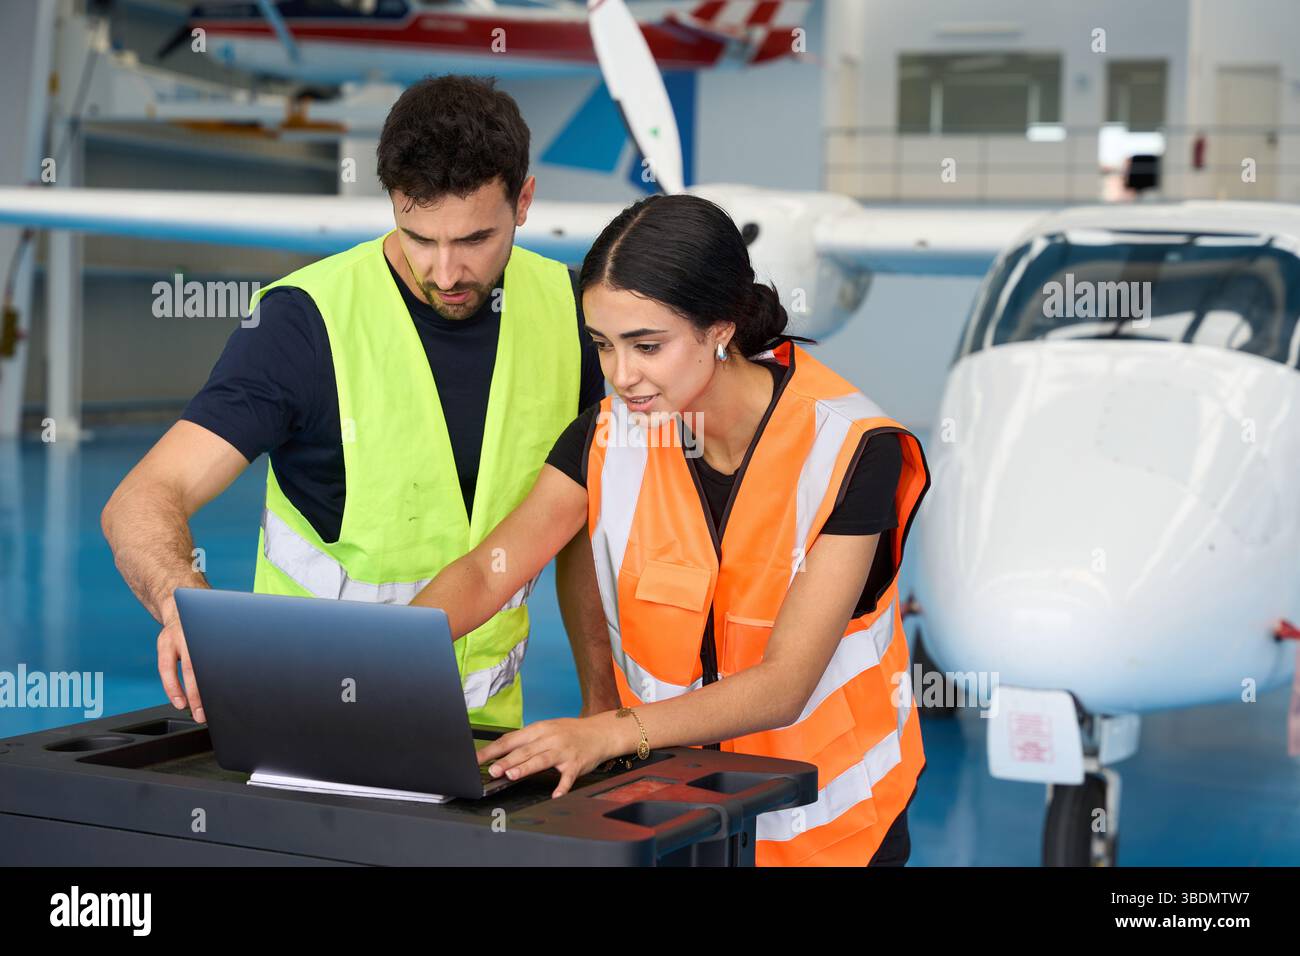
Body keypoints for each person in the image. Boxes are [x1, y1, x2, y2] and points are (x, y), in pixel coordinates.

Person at [411, 193, 931, 866]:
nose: (622, 376)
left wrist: (606, 734)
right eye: (603, 345)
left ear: (719, 328)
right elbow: (490, 570)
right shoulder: (606, 437)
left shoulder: (853, 449)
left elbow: (784, 685)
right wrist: (369, 662)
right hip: (674, 819)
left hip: (834, 825)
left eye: (646, 346)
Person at [100, 75, 615, 731]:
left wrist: (602, 701)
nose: (446, 272)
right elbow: (143, 498)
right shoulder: (303, 324)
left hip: (488, 736)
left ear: (525, 201)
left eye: (475, 240)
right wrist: (184, 606)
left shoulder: (571, 315)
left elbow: (576, 526)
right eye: (420, 238)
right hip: (308, 720)